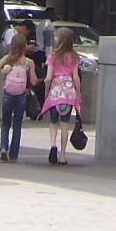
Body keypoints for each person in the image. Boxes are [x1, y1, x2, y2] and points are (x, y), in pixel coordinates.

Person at [0, 32, 40, 161]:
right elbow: (34, 81)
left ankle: (3, 148)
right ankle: (13, 155)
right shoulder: (29, 62)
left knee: (5, 123)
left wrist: (3, 71)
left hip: (8, 93)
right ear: (25, 46)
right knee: (17, 125)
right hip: (21, 95)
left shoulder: (8, 58)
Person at [41, 26, 84, 165]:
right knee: (65, 123)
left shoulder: (53, 56)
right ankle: (63, 156)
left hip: (55, 91)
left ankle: (53, 145)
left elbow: (48, 78)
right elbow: (76, 77)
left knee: (54, 122)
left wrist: (47, 91)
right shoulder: (74, 57)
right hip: (69, 92)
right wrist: (78, 93)